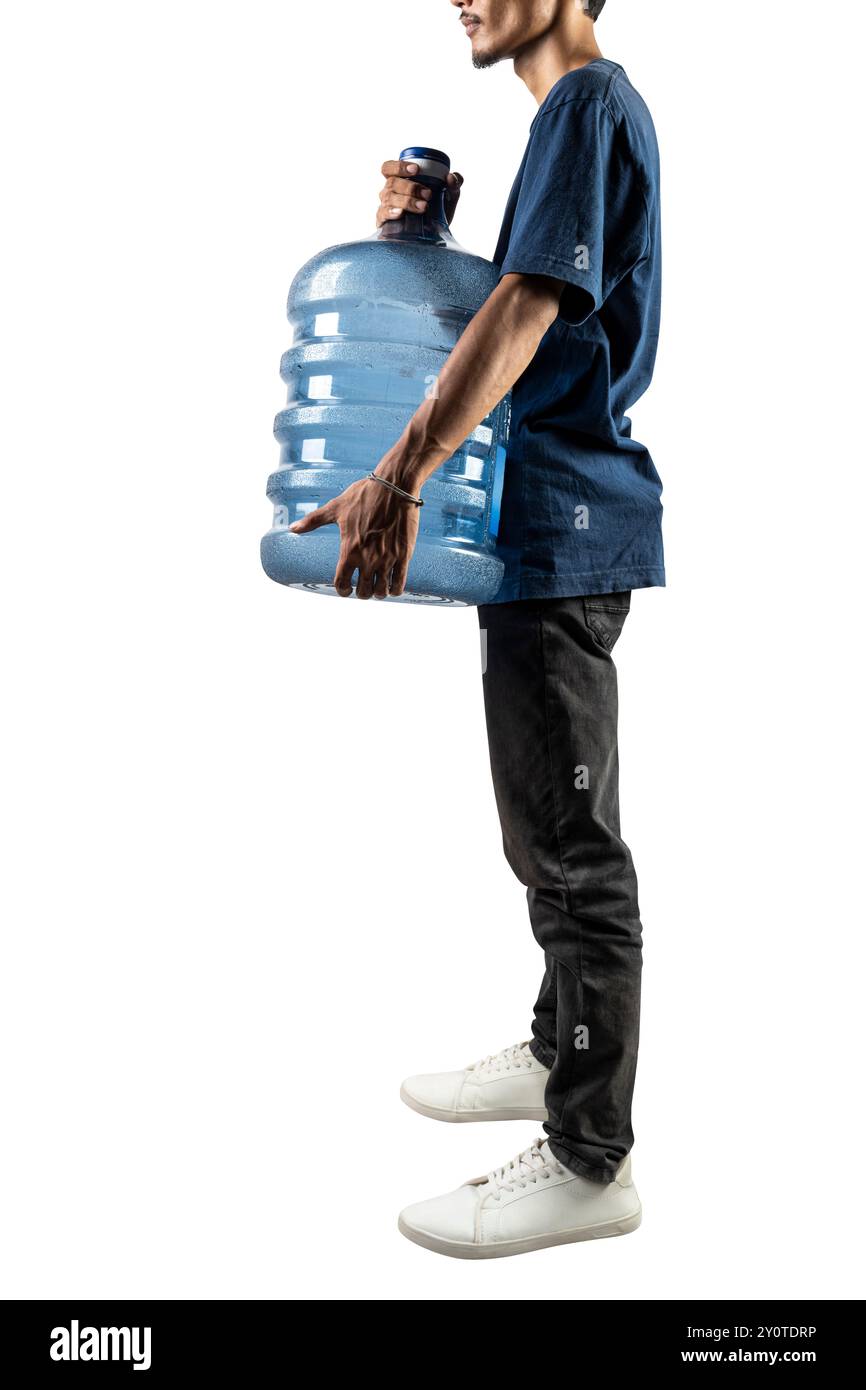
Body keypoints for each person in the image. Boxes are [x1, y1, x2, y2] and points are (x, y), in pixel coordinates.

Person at [291, 0, 663, 1259]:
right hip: (534, 531)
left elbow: (525, 313)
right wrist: (423, 248)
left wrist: (399, 474)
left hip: (564, 525)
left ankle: (586, 1154)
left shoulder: (587, 104)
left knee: (573, 853)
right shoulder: (570, 118)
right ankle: (559, 1038)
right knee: (539, 830)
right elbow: (522, 300)